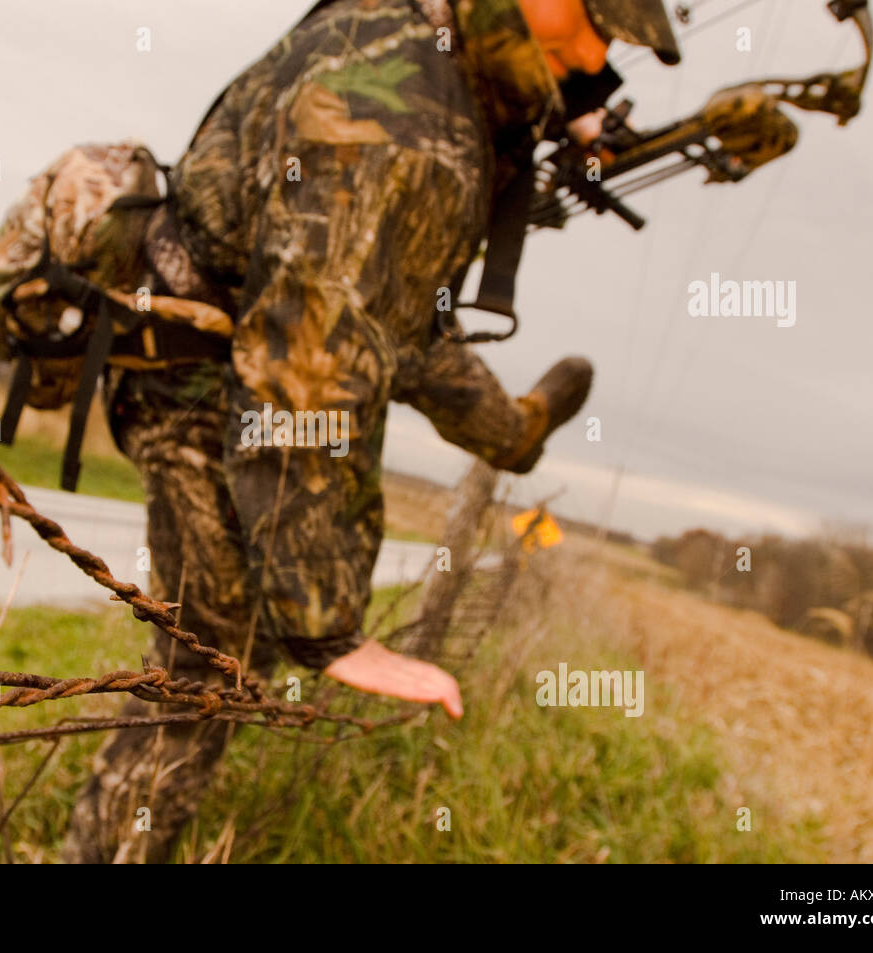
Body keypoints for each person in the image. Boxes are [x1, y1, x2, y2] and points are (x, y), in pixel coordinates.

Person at [62, 0, 681, 863]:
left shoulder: (438, 56)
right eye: (600, 22)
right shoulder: (403, 122)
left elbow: (396, 326)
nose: (604, 50)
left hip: (230, 349)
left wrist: (558, 114)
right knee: (215, 657)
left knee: (226, 657)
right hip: (196, 370)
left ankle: (515, 431)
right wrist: (326, 621)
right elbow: (310, 353)